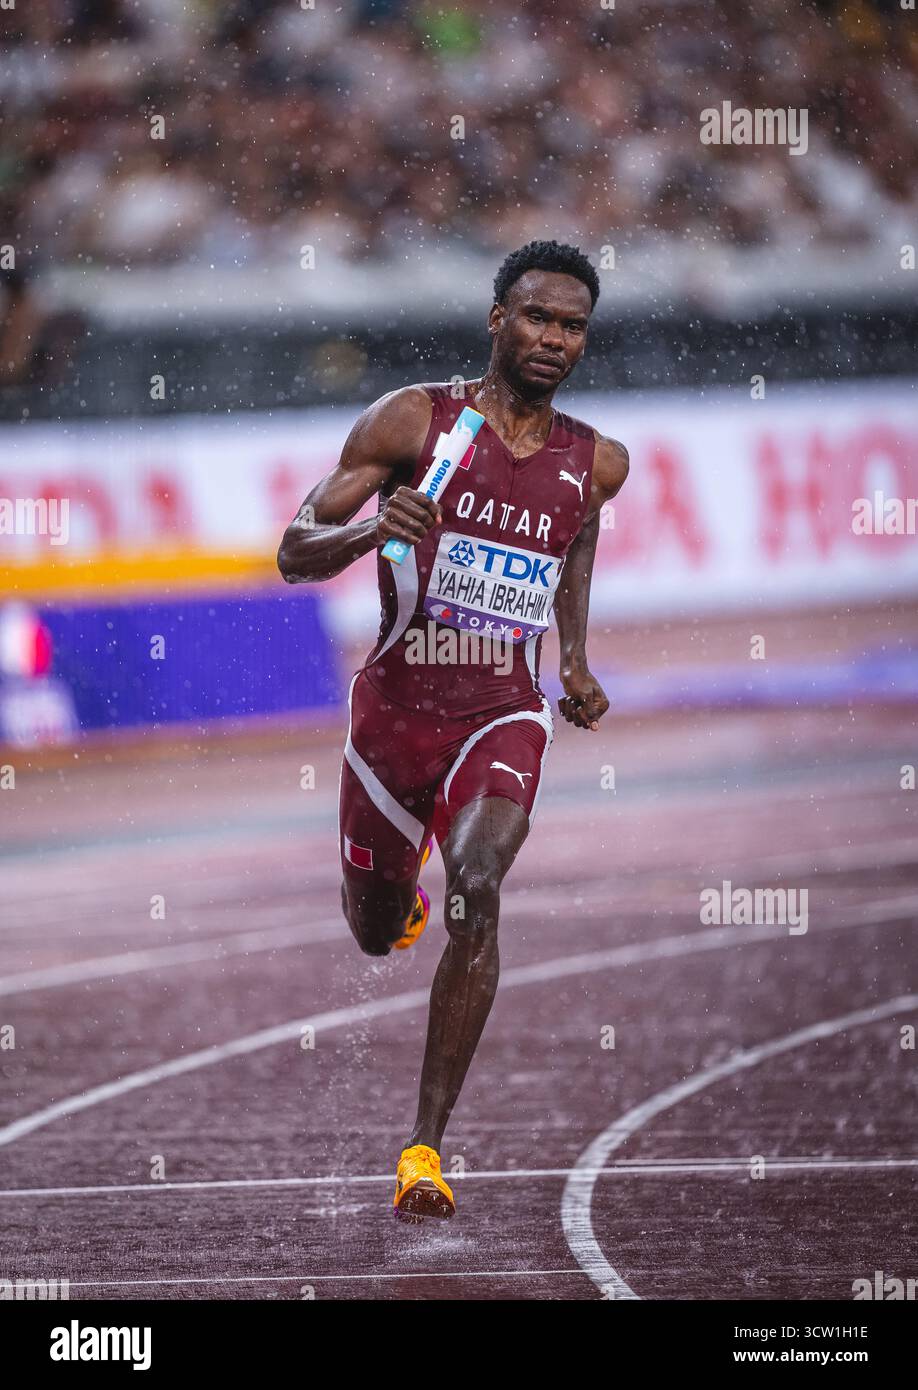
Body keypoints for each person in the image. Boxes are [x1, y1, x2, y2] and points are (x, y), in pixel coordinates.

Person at [278, 239, 629, 1221]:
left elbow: (576, 536)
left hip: (501, 713)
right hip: (391, 719)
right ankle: (399, 900)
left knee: (479, 882)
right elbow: (292, 552)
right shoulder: (413, 421)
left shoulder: (596, 460)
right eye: (537, 318)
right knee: (376, 929)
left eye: (572, 326)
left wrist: (575, 657)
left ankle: (425, 1147)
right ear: (497, 321)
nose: (555, 338)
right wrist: (372, 531)